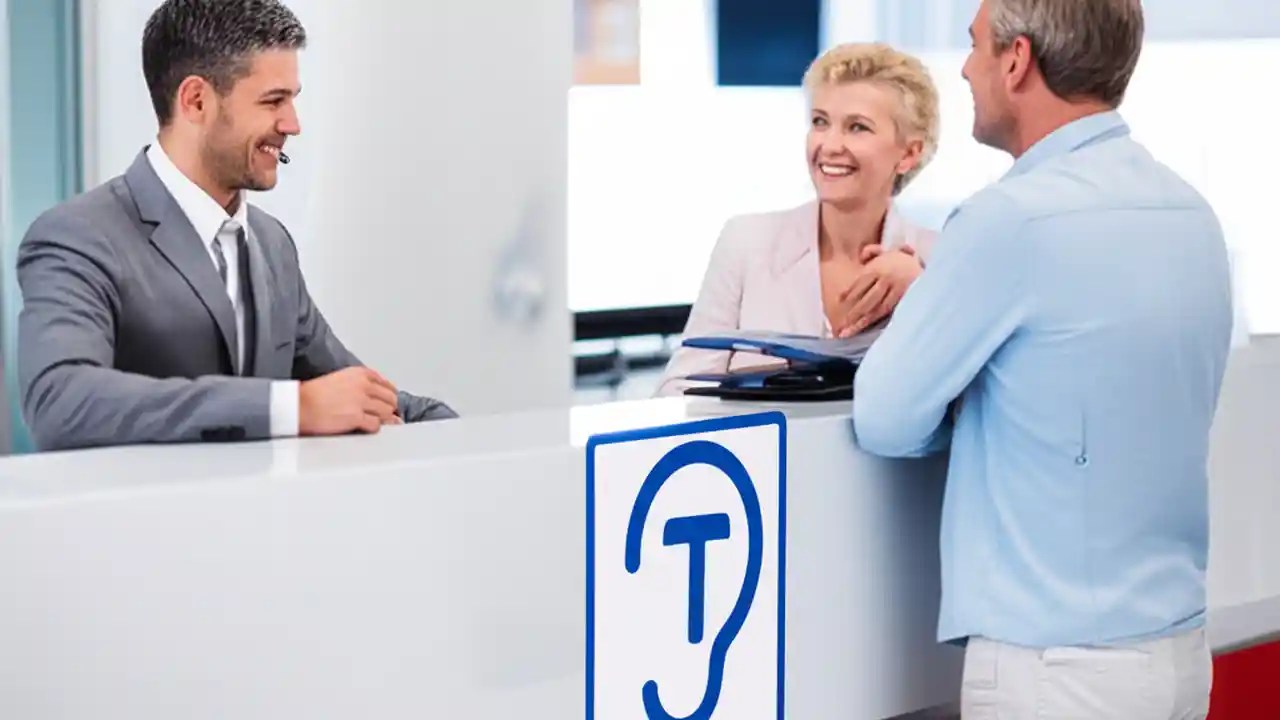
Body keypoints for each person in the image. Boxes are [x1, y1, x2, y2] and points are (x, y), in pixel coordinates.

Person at [852, 0, 1230, 717]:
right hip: (1176, 658)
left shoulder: (1010, 220)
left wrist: (964, 398)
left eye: (974, 47)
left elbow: (885, 418)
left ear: (1017, 60)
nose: (965, 69)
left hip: (1058, 673)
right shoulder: (1190, 213)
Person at [17, 0, 456, 452]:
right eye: (273, 101)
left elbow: (351, 394)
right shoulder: (77, 236)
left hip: (265, 521)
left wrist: (455, 433)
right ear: (196, 100)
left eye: (292, 99)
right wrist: (290, 408)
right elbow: (61, 401)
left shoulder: (271, 244)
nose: (292, 124)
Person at [656, 43, 940, 396]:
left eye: (857, 128)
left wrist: (923, 290)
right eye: (821, 122)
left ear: (908, 153)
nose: (830, 144)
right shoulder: (747, 243)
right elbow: (677, 391)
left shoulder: (938, 261)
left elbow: (965, 407)